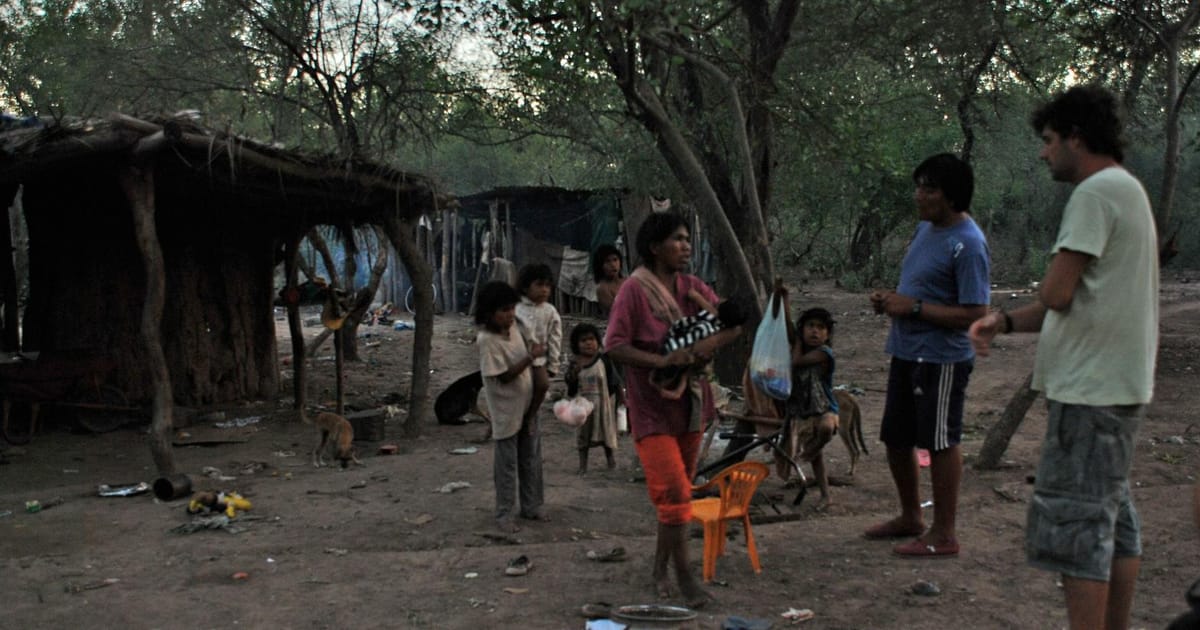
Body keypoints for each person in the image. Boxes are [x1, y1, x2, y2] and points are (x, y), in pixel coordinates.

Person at [968, 85, 1158, 630]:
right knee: (1113, 518)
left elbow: (1057, 293)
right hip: (1118, 388)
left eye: (1050, 141)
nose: (1044, 152)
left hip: (1089, 392)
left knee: (1078, 527)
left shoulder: (1094, 194)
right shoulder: (1128, 191)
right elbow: (1074, 302)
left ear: (1078, 138)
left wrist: (1024, 300)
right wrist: (1002, 322)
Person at [604, 211, 742, 608]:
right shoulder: (633, 291)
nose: (685, 246)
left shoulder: (694, 288)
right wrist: (664, 362)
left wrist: (704, 348)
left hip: (691, 405)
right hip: (651, 408)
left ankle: (659, 569)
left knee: (674, 500)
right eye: (677, 239)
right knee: (677, 493)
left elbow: (730, 325)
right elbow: (615, 345)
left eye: (687, 239)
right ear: (654, 246)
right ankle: (685, 579)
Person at [864, 152, 990, 558]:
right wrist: (892, 301)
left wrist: (914, 307)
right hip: (907, 351)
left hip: (941, 360)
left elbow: (975, 312)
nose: (919, 195)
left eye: (929, 188)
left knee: (939, 441)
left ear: (951, 196)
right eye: (918, 186)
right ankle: (911, 516)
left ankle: (945, 532)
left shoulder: (968, 245)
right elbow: (919, 290)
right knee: (896, 437)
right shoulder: (926, 230)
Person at [475, 281, 548, 532]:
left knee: (531, 459)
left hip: (527, 405)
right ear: (489, 313)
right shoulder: (486, 341)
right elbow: (504, 376)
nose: (509, 315)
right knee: (507, 466)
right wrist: (530, 357)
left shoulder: (515, 327)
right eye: (503, 311)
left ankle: (531, 506)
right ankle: (504, 514)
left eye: (511, 309)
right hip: (506, 411)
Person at [783, 307, 840, 509]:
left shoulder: (825, 354)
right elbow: (788, 327)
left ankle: (810, 451)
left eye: (820, 328)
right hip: (805, 410)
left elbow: (797, 362)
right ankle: (826, 495)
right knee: (818, 460)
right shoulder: (800, 346)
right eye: (810, 326)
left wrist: (797, 340)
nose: (815, 331)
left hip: (826, 407)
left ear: (827, 334)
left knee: (825, 429)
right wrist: (785, 300)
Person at [564, 322, 622, 475]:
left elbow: (615, 382)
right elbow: (571, 388)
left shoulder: (604, 361)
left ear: (598, 341)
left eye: (591, 339)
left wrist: (622, 401)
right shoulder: (575, 363)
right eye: (583, 340)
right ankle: (583, 465)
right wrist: (573, 375)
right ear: (576, 344)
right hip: (582, 407)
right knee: (583, 435)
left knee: (606, 433)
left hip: (603, 404)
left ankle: (611, 460)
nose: (588, 343)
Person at [514, 263, 563, 429]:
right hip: (517, 358)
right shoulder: (516, 309)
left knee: (542, 385)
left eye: (548, 286)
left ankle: (531, 415)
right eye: (539, 285)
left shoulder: (550, 311)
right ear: (526, 287)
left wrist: (553, 364)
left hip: (537, 360)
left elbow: (555, 338)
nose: (544, 290)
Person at [593, 244, 626, 315]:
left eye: (615, 259)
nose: (613, 265)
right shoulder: (603, 289)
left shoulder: (628, 281)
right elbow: (617, 312)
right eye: (607, 261)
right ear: (600, 266)